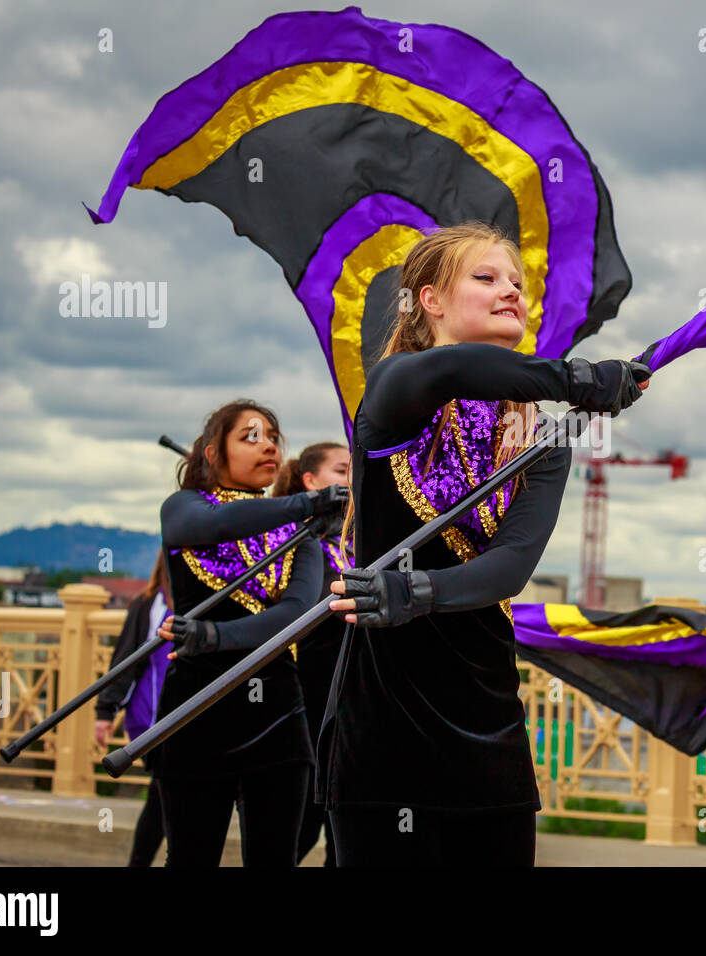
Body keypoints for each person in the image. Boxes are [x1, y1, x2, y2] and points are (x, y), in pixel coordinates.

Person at [319, 221, 649, 866]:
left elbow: (509, 566)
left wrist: (417, 589)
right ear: (431, 301)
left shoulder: (543, 440)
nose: (511, 293)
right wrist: (577, 377)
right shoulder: (398, 387)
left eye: (518, 284)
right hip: (385, 717)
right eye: (487, 278)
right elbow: (455, 368)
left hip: (486, 718)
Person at [149, 400, 346, 867]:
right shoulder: (185, 506)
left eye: (274, 437)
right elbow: (208, 524)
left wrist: (212, 636)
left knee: (275, 858)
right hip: (198, 705)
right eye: (251, 436)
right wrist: (305, 503)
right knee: (191, 856)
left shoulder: (303, 534)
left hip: (276, 713)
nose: (268, 446)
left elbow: (292, 616)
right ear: (213, 454)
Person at [271, 442, 352, 866]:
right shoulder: (303, 545)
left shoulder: (349, 545)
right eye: (341, 471)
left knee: (344, 829)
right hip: (312, 703)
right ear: (310, 482)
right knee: (303, 824)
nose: (351, 481)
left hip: (350, 705)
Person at [94, 548, 172, 866]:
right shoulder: (148, 604)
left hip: (183, 718)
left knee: (162, 799)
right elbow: (125, 659)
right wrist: (105, 712)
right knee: (164, 798)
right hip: (152, 718)